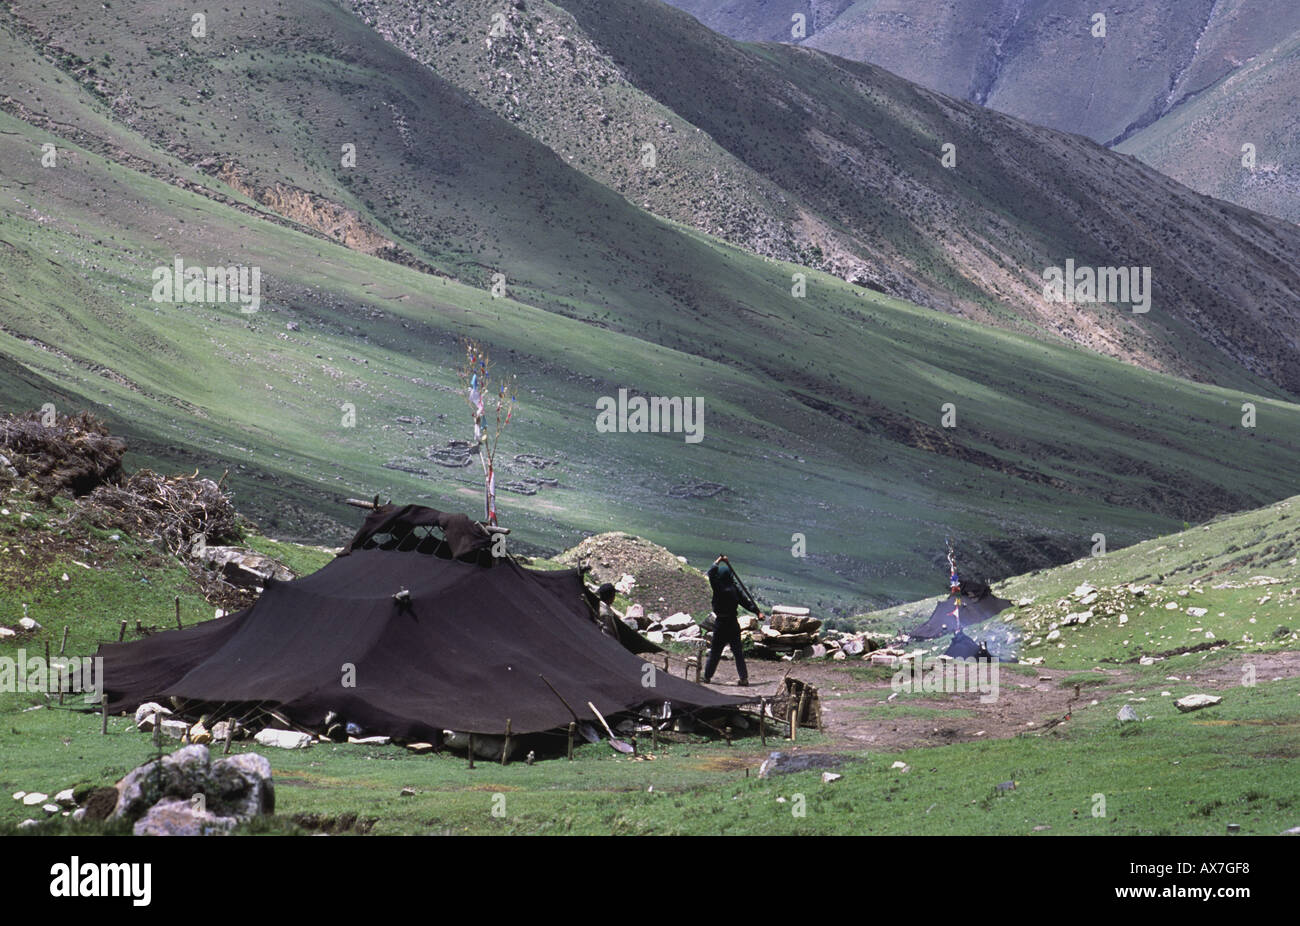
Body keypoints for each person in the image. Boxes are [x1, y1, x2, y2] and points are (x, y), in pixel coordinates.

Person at [703, 555, 761, 686]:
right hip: (733, 624)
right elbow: (746, 603)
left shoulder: (718, 588)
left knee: (715, 652)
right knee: (738, 652)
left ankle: (707, 677)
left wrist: (719, 560)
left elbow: (711, 573)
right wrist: (757, 612)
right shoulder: (734, 589)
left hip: (721, 624)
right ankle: (744, 678)